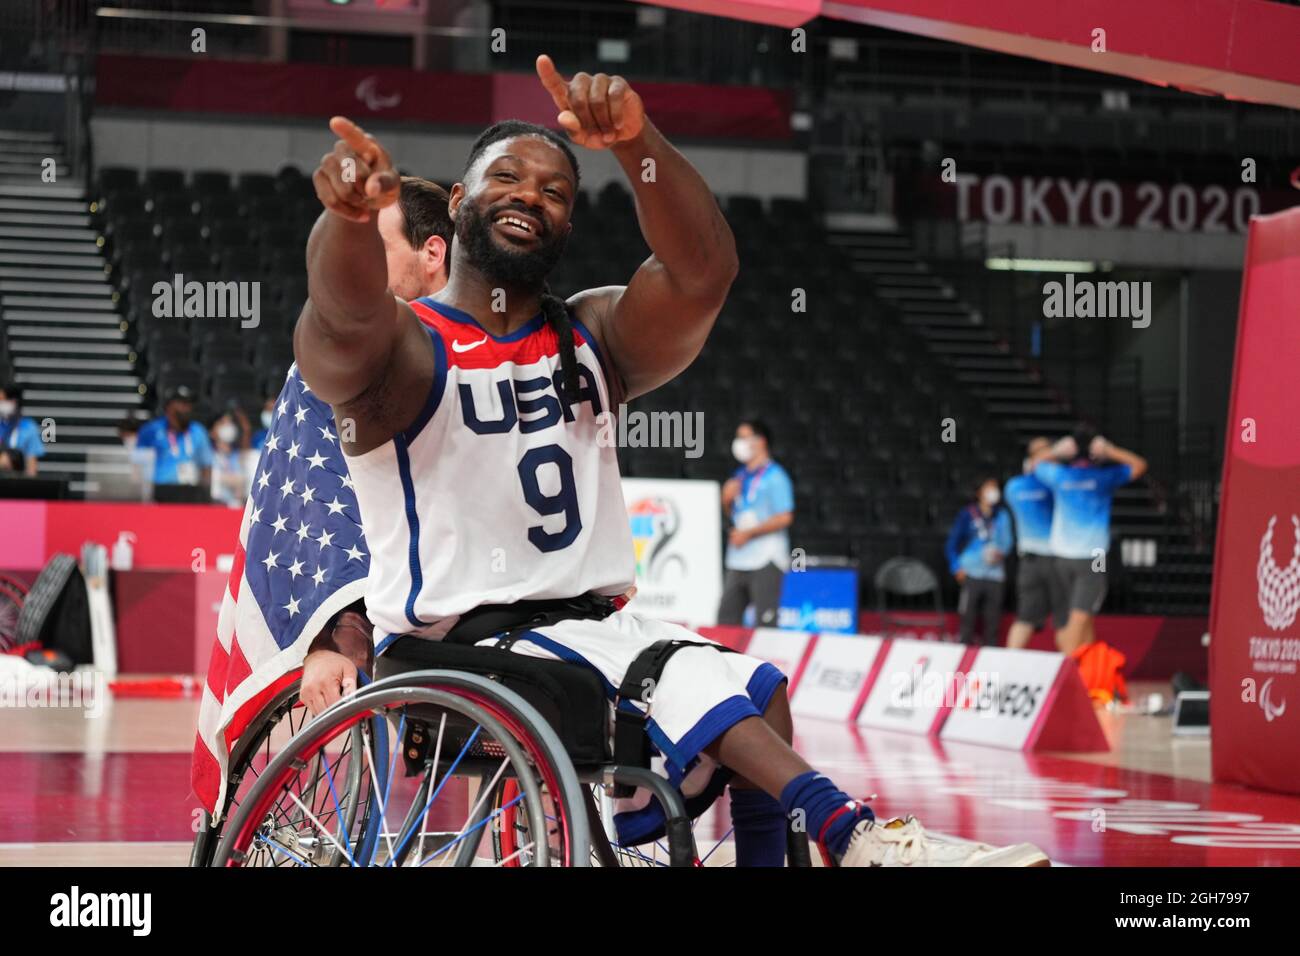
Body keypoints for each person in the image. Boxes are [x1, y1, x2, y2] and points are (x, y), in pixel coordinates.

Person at [292, 55, 1046, 868]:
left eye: (554, 192)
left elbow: (703, 270)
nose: (530, 196)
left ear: (569, 228)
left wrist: (636, 143)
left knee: (760, 689)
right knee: (671, 674)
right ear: (461, 202)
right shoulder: (407, 350)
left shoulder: (591, 336)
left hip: (587, 629)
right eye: (506, 177)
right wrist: (345, 219)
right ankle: (857, 837)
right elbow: (340, 319)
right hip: (461, 645)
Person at [1028, 427, 1147, 655]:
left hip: (1060, 557)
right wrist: (1111, 451)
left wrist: (1056, 451)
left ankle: (1086, 675)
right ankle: (1066, 668)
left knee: (1081, 617)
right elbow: (1140, 465)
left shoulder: (1059, 474)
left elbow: (1032, 464)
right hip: (1094, 558)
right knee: (1081, 614)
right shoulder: (1103, 478)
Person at [717, 420, 795, 627]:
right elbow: (734, 516)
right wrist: (726, 501)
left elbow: (785, 517)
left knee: (765, 623)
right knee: (726, 620)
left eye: (744, 437)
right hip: (739, 558)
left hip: (766, 559)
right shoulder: (740, 477)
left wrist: (749, 534)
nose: (738, 443)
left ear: (760, 441)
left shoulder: (776, 477)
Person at [1003, 437, 1064, 650]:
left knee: (1027, 618)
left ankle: (1008, 669)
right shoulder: (1055, 485)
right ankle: (1074, 676)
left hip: (1029, 562)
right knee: (1062, 620)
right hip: (1053, 561)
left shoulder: (1013, 486)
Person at [945, 476, 1013, 645]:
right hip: (971, 573)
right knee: (967, 619)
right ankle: (963, 660)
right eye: (988, 487)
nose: (993, 491)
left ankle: (990, 660)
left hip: (995, 575)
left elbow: (1008, 543)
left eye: (995, 487)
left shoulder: (1002, 516)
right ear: (979, 492)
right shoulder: (968, 514)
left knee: (993, 622)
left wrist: (1000, 553)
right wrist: (956, 567)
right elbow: (952, 544)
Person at [135, 384, 213, 488]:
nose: (187, 408)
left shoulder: (198, 431)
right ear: (169, 406)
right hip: (158, 493)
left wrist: (204, 495)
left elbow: (206, 466)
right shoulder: (151, 430)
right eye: (183, 403)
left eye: (189, 403)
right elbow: (138, 463)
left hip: (190, 493)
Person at [0, 382, 46, 476]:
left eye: (2, 400)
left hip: (15, 483)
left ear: (14, 402)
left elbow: (32, 468)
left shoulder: (28, 427)